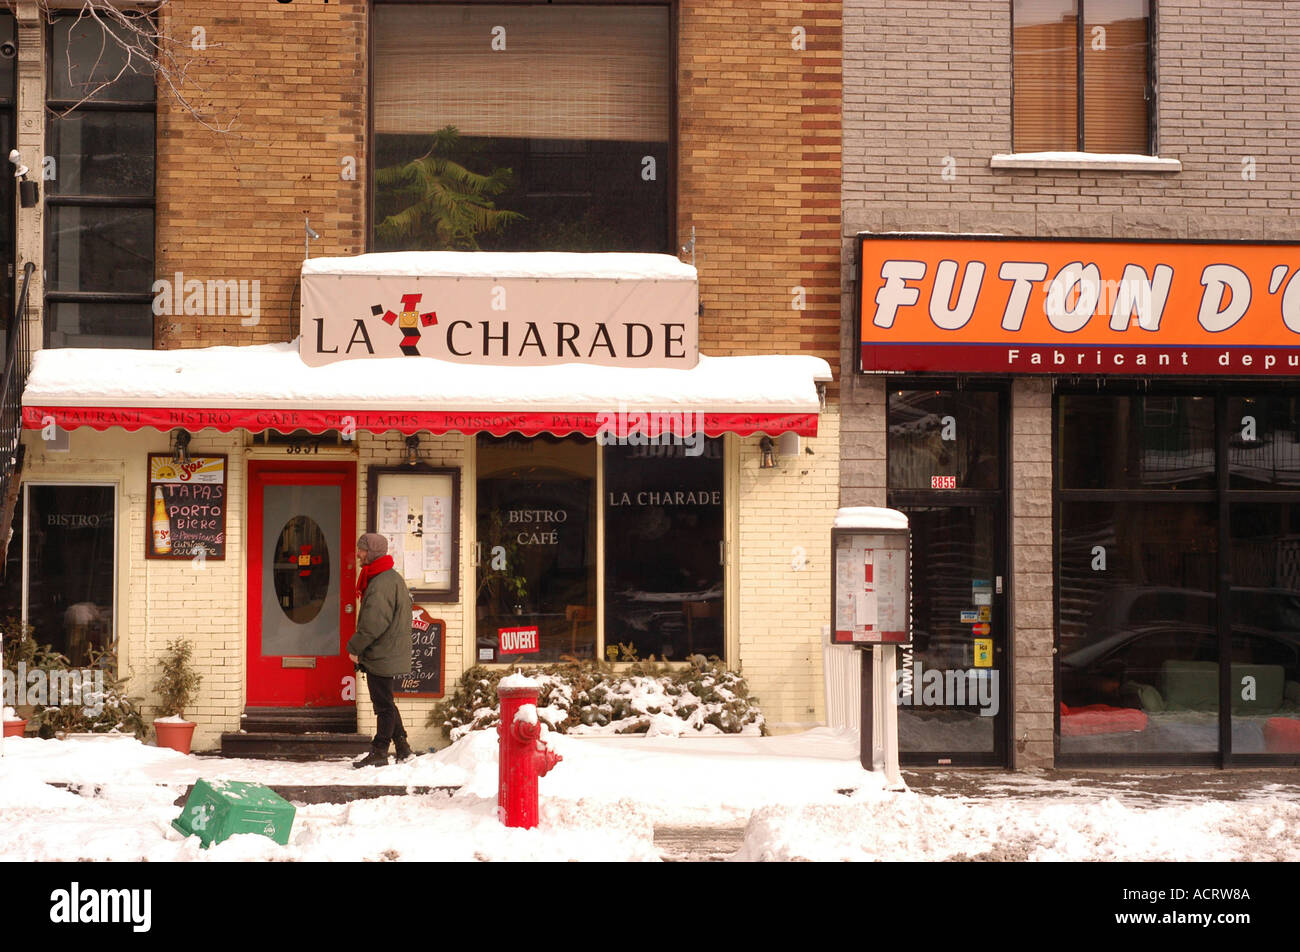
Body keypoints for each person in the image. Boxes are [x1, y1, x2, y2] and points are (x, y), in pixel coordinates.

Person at [348, 533, 415, 768]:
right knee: (387, 701)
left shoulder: (381, 582)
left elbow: (373, 623)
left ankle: (379, 750)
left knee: (383, 705)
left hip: (381, 652)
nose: (358, 554)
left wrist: (354, 647)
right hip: (387, 650)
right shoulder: (387, 577)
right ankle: (403, 747)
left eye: (362, 550)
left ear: (373, 552)